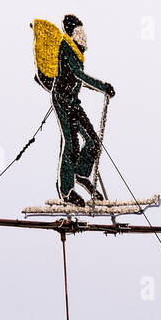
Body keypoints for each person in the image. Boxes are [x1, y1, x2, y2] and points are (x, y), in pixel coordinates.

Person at [50, 14, 115, 205]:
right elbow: (78, 75)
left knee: (93, 142)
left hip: (73, 102)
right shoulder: (66, 47)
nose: (83, 33)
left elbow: (77, 78)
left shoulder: (77, 52)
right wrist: (102, 86)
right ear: (72, 31)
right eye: (79, 29)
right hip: (62, 100)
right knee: (70, 144)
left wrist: (98, 87)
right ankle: (66, 189)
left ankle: (80, 173)